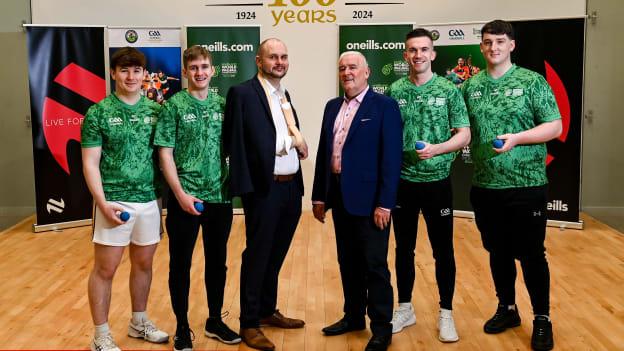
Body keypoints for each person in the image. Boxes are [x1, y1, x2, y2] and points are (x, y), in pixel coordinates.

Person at [461, 19, 562, 351]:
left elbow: (554, 126)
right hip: (486, 185)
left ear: (512, 45)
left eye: (500, 42)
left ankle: (542, 319)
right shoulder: (470, 86)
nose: (494, 48)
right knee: (497, 251)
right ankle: (507, 308)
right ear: (481, 46)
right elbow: (462, 130)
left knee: (532, 254)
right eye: (488, 42)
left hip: (526, 185)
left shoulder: (532, 82)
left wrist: (518, 138)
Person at [312, 51, 402, 351]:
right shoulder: (331, 107)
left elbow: (391, 159)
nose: (347, 72)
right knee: (347, 262)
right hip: (339, 196)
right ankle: (353, 317)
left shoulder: (385, 107)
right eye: (342, 68)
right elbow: (326, 153)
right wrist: (319, 196)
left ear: (367, 72)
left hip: (371, 202)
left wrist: (385, 203)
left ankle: (381, 326)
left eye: (353, 67)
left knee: (374, 265)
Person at [386, 28, 471, 342]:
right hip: (403, 182)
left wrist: (437, 149)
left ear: (433, 54)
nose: (418, 55)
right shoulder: (395, 90)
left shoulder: (449, 90)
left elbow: (464, 134)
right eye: (412, 50)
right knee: (403, 249)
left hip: (438, 183)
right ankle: (405, 308)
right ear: (405, 55)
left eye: (424, 49)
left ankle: (446, 313)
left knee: (443, 251)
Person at [81, 47, 168, 351]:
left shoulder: (158, 112)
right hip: (114, 202)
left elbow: (166, 158)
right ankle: (101, 334)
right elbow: (90, 163)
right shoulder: (98, 113)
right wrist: (102, 203)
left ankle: (138, 321)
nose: (131, 77)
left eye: (136, 71)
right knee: (105, 270)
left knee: (143, 265)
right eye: (124, 70)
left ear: (145, 75)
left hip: (149, 200)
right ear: (113, 73)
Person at [223, 38, 308, 351]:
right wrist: (246, 190)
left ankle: (267, 310)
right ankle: (249, 323)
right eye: (273, 57)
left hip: (290, 186)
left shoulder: (284, 94)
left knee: (276, 254)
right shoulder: (242, 93)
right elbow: (235, 143)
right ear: (259, 60)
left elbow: (286, 133)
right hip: (263, 188)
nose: (280, 62)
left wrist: (299, 145)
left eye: (284, 56)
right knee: (258, 254)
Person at [154, 45, 241, 351]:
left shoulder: (223, 105)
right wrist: (178, 194)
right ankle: (181, 327)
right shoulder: (173, 106)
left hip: (219, 197)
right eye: (194, 68)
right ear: (186, 72)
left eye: (204, 67)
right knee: (180, 264)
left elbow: (236, 147)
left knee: (218, 263)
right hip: (184, 200)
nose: (200, 72)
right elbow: (164, 152)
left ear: (212, 70)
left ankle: (215, 320)